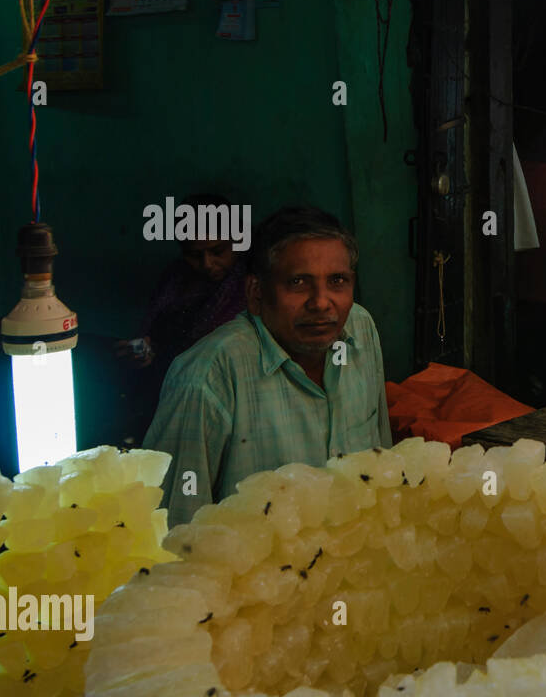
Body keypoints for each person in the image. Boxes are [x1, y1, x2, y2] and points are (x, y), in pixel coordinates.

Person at [145, 206, 391, 527]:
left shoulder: (360, 329)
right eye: (298, 282)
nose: (321, 302)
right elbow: (175, 535)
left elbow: (383, 464)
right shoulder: (206, 376)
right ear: (256, 293)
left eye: (337, 281)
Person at [115, 193, 249, 441]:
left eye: (218, 251)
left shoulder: (252, 286)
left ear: (239, 239)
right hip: (170, 399)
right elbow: (156, 338)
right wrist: (143, 354)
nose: (207, 263)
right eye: (194, 255)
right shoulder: (175, 281)